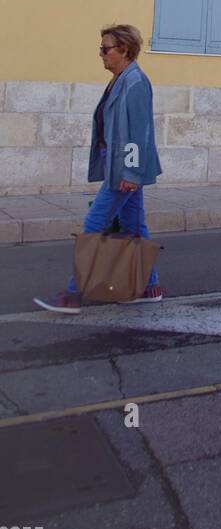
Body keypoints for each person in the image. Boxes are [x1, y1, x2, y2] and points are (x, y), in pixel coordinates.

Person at [34, 24, 164, 313]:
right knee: (134, 225)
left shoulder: (135, 82)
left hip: (124, 168)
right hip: (116, 164)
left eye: (105, 49)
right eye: (100, 49)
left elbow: (138, 133)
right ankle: (150, 287)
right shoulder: (120, 79)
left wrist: (130, 173)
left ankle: (72, 295)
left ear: (124, 50)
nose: (101, 55)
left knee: (95, 223)